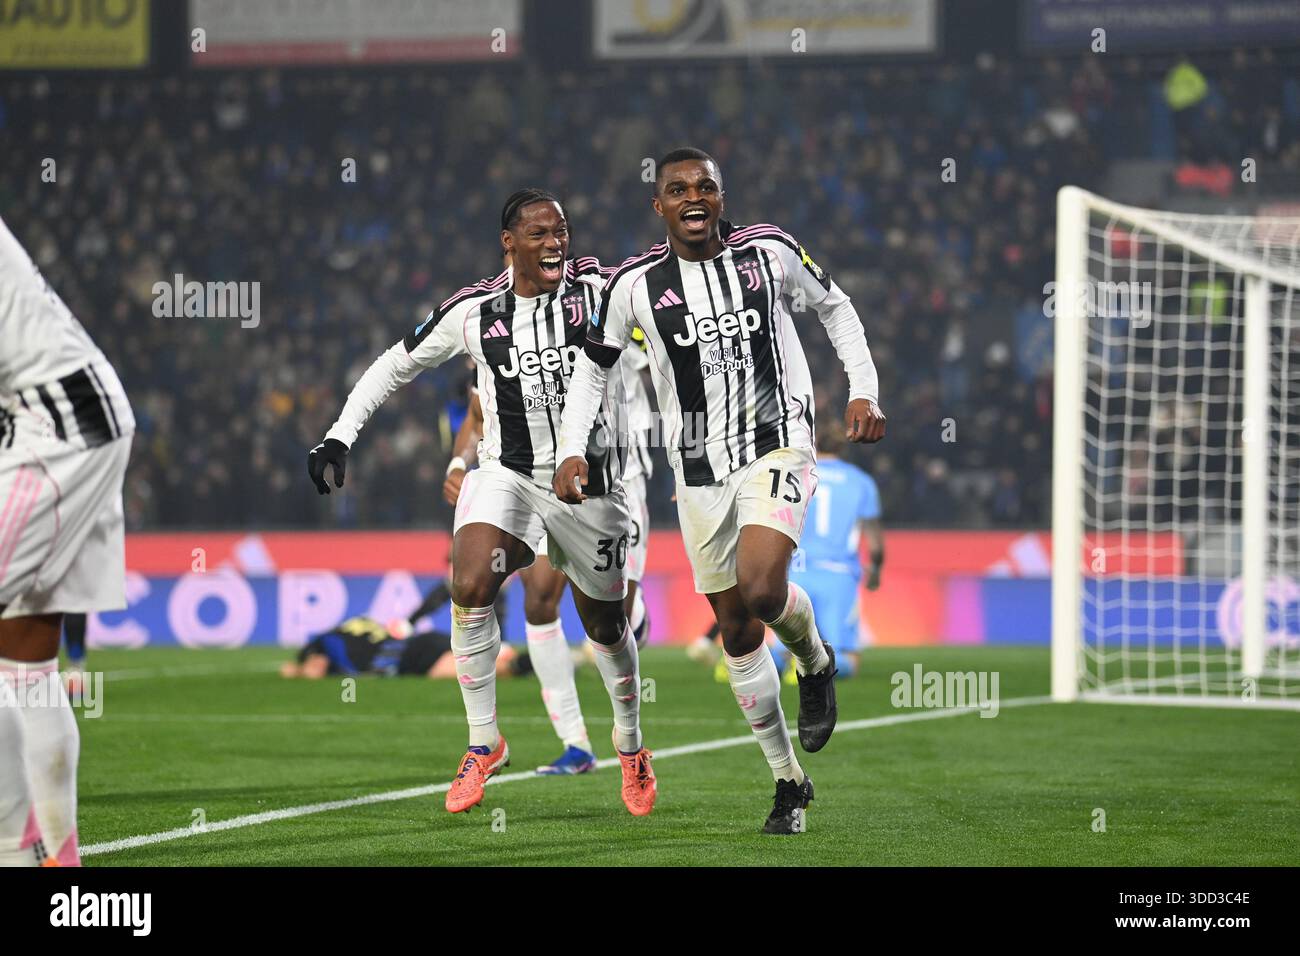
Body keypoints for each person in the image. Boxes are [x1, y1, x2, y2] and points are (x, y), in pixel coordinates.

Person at [553, 148, 885, 834]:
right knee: (736, 633)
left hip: (777, 445)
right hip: (698, 471)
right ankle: (789, 784)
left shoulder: (770, 253)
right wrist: (571, 448)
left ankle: (815, 662)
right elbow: (592, 371)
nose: (694, 197)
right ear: (660, 206)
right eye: (678, 189)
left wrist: (864, 389)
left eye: (706, 186)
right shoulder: (633, 285)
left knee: (763, 591)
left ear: (722, 196)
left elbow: (837, 308)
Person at [309, 189, 655, 816]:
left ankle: (630, 745)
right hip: (508, 473)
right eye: (540, 232)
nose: (556, 242)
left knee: (606, 626)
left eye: (562, 231)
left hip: (590, 484)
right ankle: (484, 741)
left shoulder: (599, 293)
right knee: (470, 583)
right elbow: (395, 365)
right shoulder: (473, 312)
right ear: (509, 242)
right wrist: (339, 435)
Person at [0, 213, 135, 867]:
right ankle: (58, 859)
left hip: (55, 425)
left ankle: (12, 852)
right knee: (23, 660)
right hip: (75, 416)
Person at [445, 362, 654, 776]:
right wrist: (457, 462)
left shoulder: (606, 303)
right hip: (537, 476)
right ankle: (575, 743)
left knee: (611, 621)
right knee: (539, 600)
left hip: (616, 475)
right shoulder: (499, 325)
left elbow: (668, 363)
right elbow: (478, 407)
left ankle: (636, 615)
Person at [783, 426, 884, 679]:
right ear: (843, 447)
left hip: (797, 571)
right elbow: (875, 545)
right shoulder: (861, 482)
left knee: (785, 645)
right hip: (838, 575)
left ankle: (762, 664)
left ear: (814, 444)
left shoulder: (796, 476)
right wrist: (875, 572)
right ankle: (814, 669)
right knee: (847, 658)